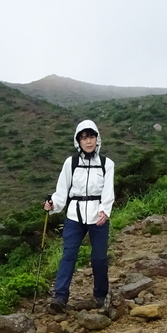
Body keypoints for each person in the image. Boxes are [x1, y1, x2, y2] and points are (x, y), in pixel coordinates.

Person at [44, 119, 115, 314]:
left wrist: (104, 211)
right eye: (84, 138)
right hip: (74, 215)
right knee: (68, 255)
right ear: (78, 141)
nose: (88, 141)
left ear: (97, 139)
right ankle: (60, 297)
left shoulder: (106, 164)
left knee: (99, 258)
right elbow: (62, 191)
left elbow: (108, 191)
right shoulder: (71, 162)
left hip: (97, 216)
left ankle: (100, 295)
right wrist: (53, 205)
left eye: (91, 137)